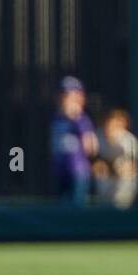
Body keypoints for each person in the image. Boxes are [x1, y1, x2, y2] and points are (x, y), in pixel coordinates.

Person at [51, 76, 97, 204]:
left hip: (78, 171)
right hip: (60, 171)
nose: (65, 99)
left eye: (70, 96)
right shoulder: (56, 118)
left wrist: (76, 121)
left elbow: (90, 147)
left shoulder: (82, 120)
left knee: (77, 206)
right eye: (64, 95)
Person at [93, 108, 138, 208]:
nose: (111, 128)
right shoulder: (98, 136)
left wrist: (118, 168)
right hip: (105, 180)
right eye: (109, 124)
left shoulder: (129, 140)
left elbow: (131, 166)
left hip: (123, 182)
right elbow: (94, 162)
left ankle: (123, 208)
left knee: (126, 173)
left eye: (116, 125)